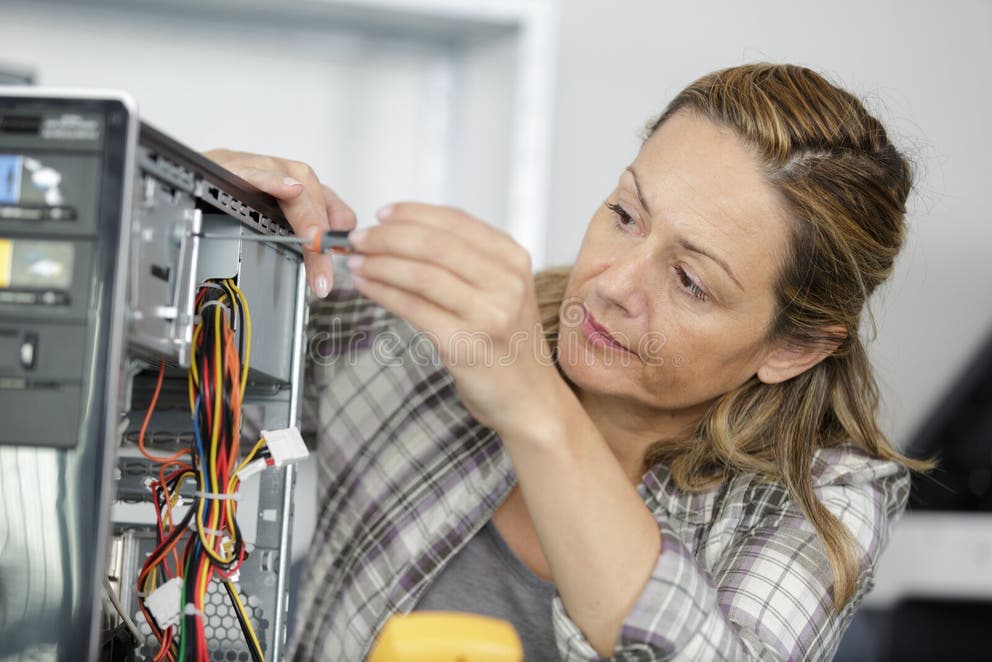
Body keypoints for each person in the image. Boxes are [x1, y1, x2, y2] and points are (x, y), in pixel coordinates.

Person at [207, 63, 930, 661]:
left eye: (689, 280)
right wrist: (192, 220)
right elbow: (173, 388)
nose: (611, 286)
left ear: (793, 347)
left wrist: (537, 414)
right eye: (625, 216)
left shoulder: (821, 497)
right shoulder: (437, 337)